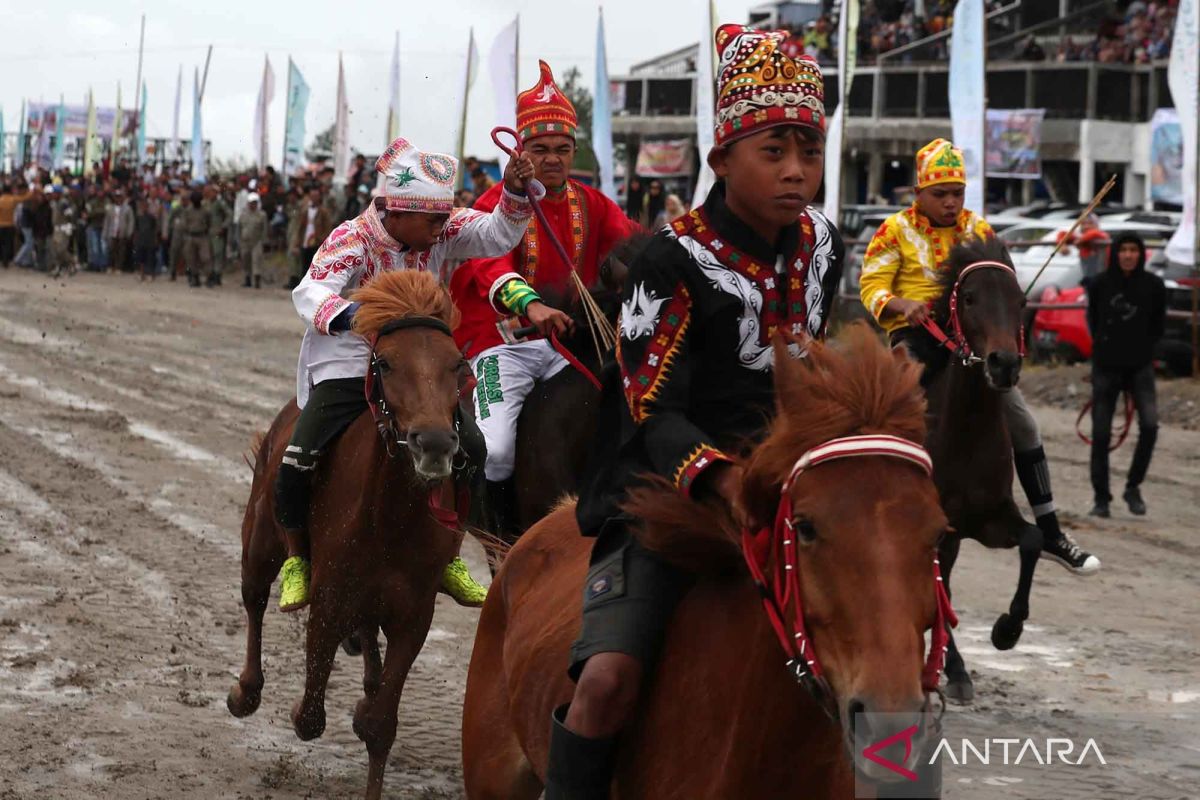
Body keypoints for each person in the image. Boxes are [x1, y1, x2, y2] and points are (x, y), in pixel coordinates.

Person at [545, 26, 845, 797]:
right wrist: (722, 481)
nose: (796, 172)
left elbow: (814, 364)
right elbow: (649, 405)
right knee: (609, 678)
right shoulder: (671, 256)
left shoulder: (825, 244)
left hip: (789, 492)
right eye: (772, 151)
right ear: (721, 160)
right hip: (670, 493)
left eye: (809, 151)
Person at [274, 136, 538, 612]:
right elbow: (309, 291)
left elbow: (498, 234)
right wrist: (359, 317)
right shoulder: (352, 238)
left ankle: (450, 556)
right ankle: (297, 558)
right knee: (298, 455)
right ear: (397, 212)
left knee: (475, 449)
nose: (443, 229)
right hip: (348, 361)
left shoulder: (443, 227)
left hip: (419, 369)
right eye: (433, 221)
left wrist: (514, 191)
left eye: (445, 219)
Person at [859, 138, 1101, 575]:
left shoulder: (980, 230)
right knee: (894, 402)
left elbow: (1000, 284)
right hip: (915, 337)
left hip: (968, 342)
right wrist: (900, 305)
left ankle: (1050, 530)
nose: (951, 203)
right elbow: (871, 285)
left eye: (957, 192)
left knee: (1022, 419)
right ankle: (874, 501)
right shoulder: (893, 229)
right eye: (941, 194)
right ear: (919, 194)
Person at [449, 60, 641, 538]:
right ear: (520, 152)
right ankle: (498, 535)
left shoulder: (593, 202)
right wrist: (531, 305)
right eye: (540, 149)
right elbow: (487, 267)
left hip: (569, 346)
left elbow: (631, 247)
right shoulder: (493, 202)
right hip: (502, 346)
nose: (553, 159)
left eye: (562, 149)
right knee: (494, 451)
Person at [1086, 233, 1166, 517]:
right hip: (1106, 367)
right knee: (1100, 432)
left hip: (1140, 367)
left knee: (1151, 425)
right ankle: (1101, 498)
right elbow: (1092, 321)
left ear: (1141, 254)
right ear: (1116, 253)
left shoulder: (1154, 286)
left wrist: (1142, 350)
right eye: (1124, 250)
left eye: (1133, 250)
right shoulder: (1100, 284)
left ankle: (1133, 487)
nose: (1128, 255)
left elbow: (1159, 325)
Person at [286, 184, 333, 290]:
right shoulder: (305, 211)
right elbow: (300, 228)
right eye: (312, 196)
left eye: (316, 196)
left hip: (317, 242)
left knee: (315, 266)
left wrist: (323, 240)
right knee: (304, 265)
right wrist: (297, 243)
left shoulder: (323, 212)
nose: (314, 198)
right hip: (306, 241)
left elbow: (327, 228)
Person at [1057, 213, 1110, 283]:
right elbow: (1062, 234)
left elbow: (1096, 233)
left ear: (1097, 225)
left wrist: (1081, 240)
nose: (1086, 226)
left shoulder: (1101, 237)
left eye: (1090, 223)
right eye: (1083, 224)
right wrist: (1062, 245)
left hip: (1103, 279)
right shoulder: (1081, 237)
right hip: (1088, 277)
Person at [180, 190, 212, 287]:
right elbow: (184, 223)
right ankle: (195, 277)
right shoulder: (188, 211)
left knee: (205, 258)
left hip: (202, 236)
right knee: (191, 259)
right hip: (190, 236)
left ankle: (208, 278)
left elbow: (209, 222)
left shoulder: (205, 211)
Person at [239, 193, 268, 288]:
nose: (252, 205)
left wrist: (264, 241)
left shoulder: (262, 215)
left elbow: (265, 229)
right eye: (251, 203)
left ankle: (257, 281)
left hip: (257, 241)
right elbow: (239, 228)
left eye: (254, 203)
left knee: (256, 260)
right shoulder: (243, 214)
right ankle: (247, 279)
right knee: (245, 260)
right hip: (245, 241)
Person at [205, 183, 231, 286]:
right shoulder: (207, 203)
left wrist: (223, 226)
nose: (210, 193)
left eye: (212, 192)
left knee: (217, 254)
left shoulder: (220, 203)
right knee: (209, 255)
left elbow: (229, 214)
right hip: (208, 232)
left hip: (217, 232)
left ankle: (217, 275)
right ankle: (211, 274)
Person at [133, 198, 160, 281]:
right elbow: (136, 229)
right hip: (141, 240)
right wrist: (135, 238)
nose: (144, 208)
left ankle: (151, 274)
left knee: (150, 258)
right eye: (142, 206)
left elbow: (155, 229)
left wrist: (155, 239)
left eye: (145, 206)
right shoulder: (138, 217)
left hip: (150, 240)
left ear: (147, 207)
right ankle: (142, 274)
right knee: (141, 258)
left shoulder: (151, 217)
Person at [0, 183, 16, 266]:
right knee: (7, 243)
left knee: (1, 243)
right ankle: (6, 260)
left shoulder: (0, 200)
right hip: (10, 224)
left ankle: (2, 258)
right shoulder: (12, 199)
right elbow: (23, 198)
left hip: (1, 225)